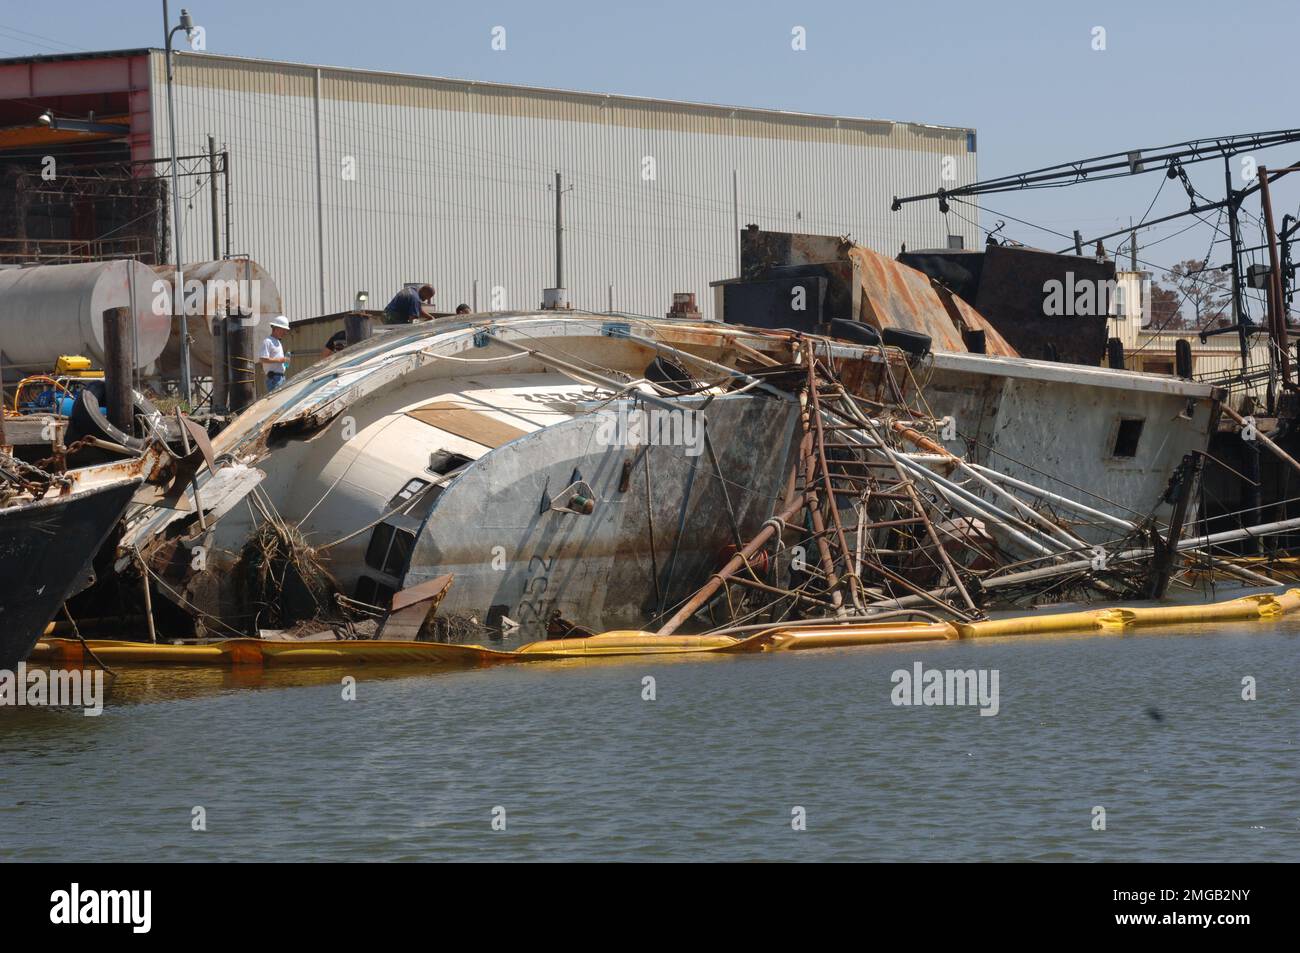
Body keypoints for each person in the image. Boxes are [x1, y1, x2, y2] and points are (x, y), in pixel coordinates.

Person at [259, 314, 291, 391]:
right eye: (283, 330)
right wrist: (280, 360)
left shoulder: (277, 342)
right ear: (276, 328)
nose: (285, 332)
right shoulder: (268, 341)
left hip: (280, 377)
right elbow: (263, 359)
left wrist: (285, 362)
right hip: (274, 379)